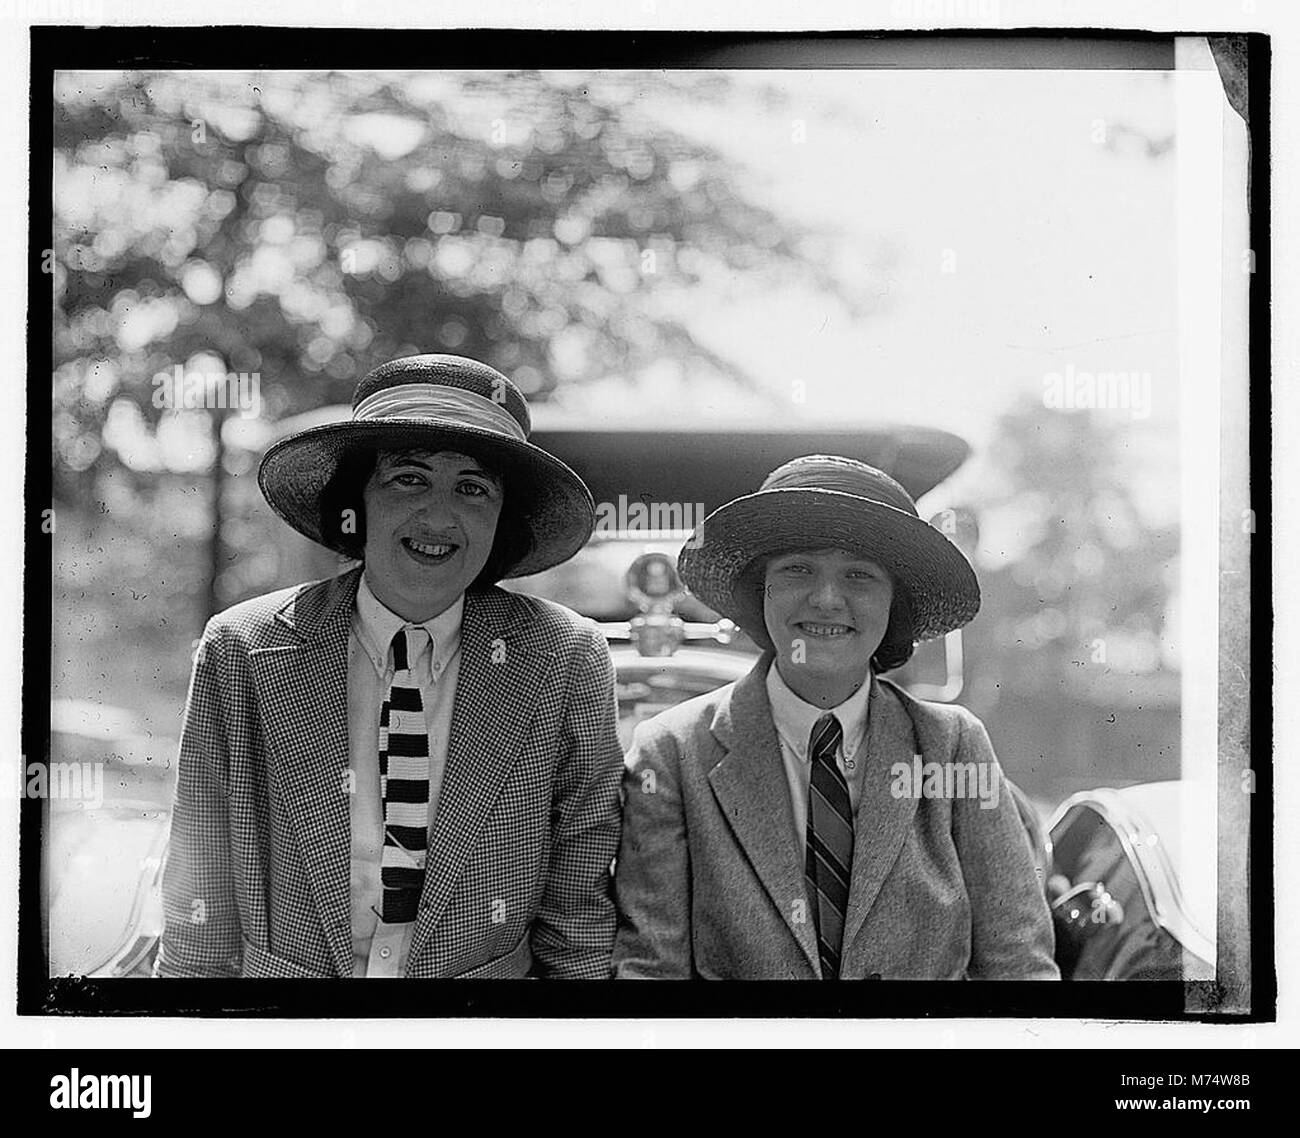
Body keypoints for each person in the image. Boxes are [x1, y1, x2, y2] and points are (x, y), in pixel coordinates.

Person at [155, 354, 623, 979]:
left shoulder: (567, 656)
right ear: (359, 501)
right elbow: (199, 895)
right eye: (409, 479)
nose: (438, 517)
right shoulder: (242, 648)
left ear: (501, 517)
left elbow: (579, 917)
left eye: (473, 488)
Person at [613, 455, 1058, 980]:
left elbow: (1019, 967)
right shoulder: (673, 752)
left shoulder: (953, 745)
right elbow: (651, 974)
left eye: (859, 575)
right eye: (797, 569)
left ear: (897, 603)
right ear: (761, 591)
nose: (827, 599)